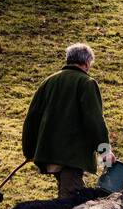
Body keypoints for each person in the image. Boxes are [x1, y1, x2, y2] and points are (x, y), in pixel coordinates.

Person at [21, 42, 111, 195]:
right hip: (72, 156)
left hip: (48, 152)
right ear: (87, 62)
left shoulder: (48, 82)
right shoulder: (86, 83)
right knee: (70, 202)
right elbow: (94, 122)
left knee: (67, 195)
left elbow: (31, 119)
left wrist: (30, 151)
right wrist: (105, 154)